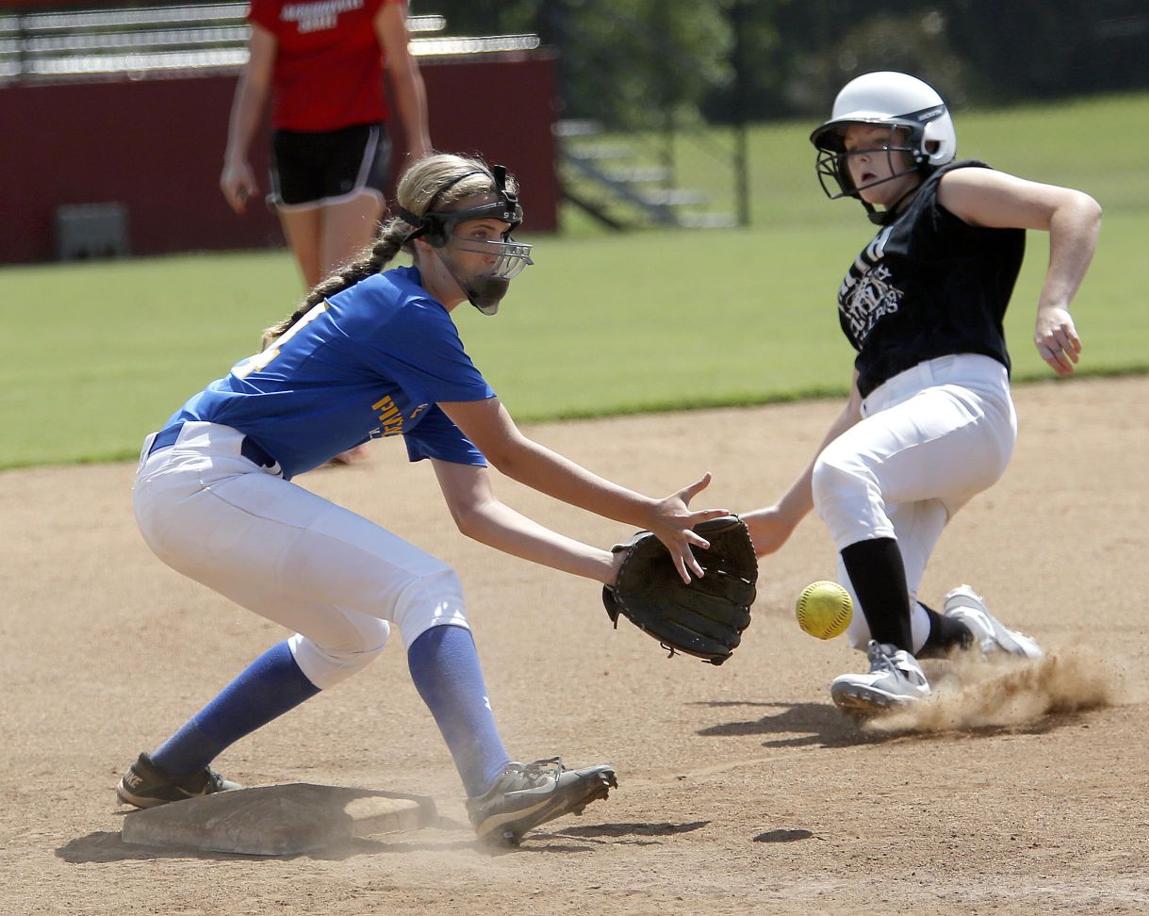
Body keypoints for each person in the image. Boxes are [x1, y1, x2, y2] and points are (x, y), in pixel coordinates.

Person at [117, 153, 727, 846]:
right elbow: (512, 452)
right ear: (424, 239)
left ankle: (171, 770)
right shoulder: (404, 310)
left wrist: (612, 569)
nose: (494, 251)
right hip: (204, 481)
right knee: (426, 587)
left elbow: (479, 512)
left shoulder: (420, 356)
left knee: (351, 637)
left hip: (200, 491)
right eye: (477, 233)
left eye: (502, 234)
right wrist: (649, 511)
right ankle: (493, 784)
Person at [742, 72, 1101, 717]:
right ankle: (977, 639)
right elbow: (858, 407)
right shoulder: (870, 263)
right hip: (906, 430)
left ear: (924, 139)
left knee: (848, 470)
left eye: (874, 142)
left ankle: (897, 670)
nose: (858, 162)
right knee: (871, 614)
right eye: (849, 150)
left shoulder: (953, 190)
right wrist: (783, 515)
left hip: (963, 403)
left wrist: (1053, 305)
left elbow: (1073, 207)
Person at [220, 0, 431, 465]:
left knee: (339, 286)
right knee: (315, 295)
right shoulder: (272, 5)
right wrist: (235, 155)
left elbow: (402, 65)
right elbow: (256, 77)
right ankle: (303, 417)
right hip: (293, 144)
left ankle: (344, 421)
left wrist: (419, 144)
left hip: (356, 137)